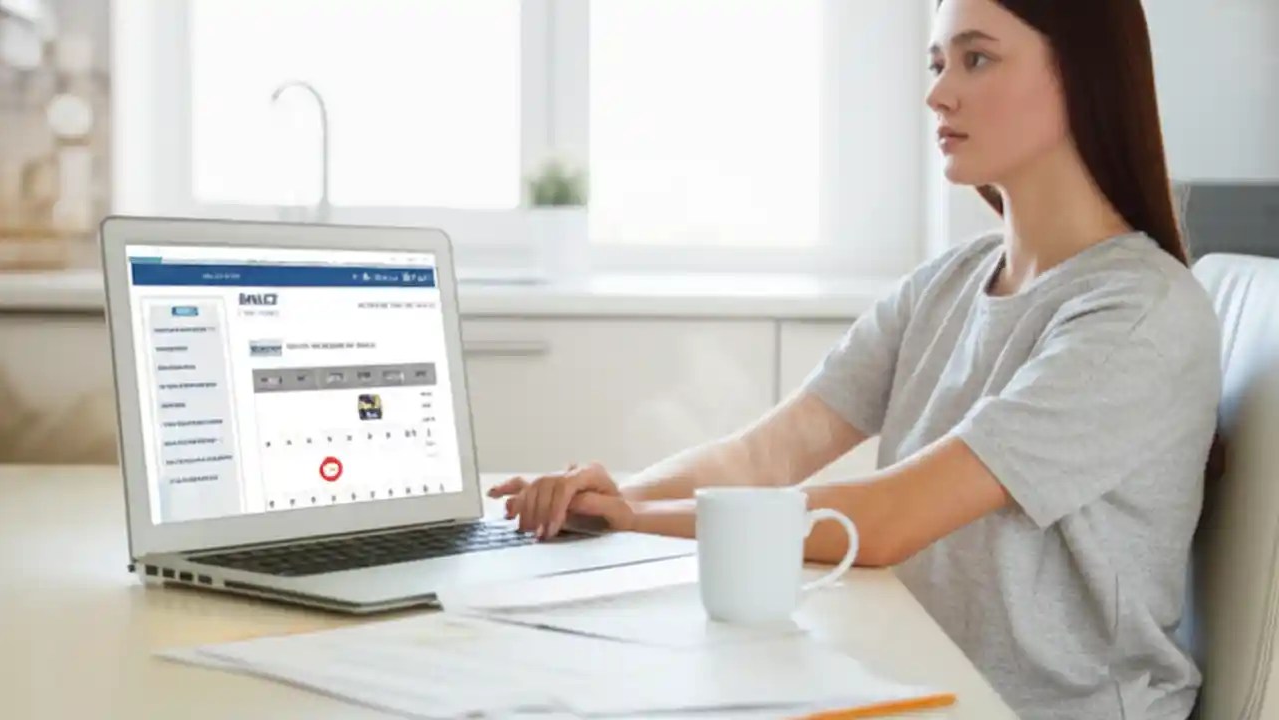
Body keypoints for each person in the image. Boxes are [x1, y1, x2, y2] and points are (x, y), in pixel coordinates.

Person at [490, 0, 1221, 717]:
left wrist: (634, 518)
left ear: (1080, 75)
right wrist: (609, 500)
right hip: (916, 677)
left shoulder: (1137, 312)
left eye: (977, 57)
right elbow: (766, 454)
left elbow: (889, 520)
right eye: (937, 63)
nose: (937, 92)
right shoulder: (946, 284)